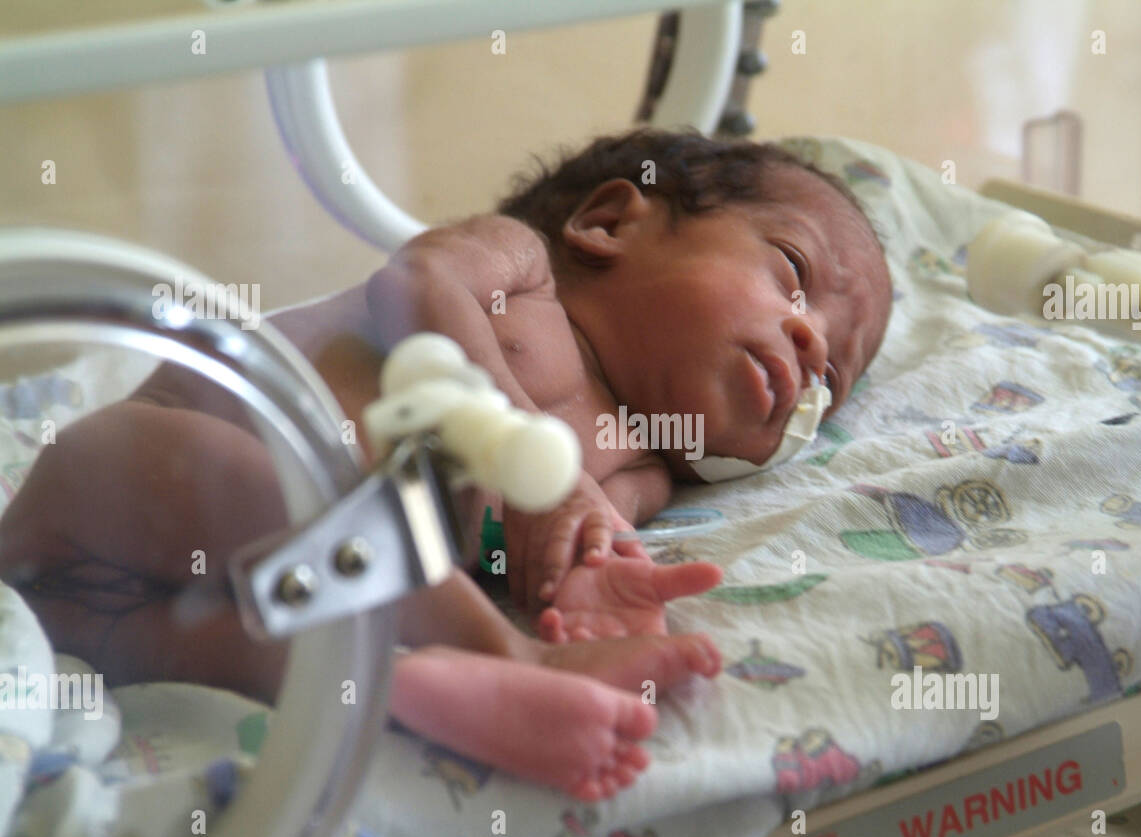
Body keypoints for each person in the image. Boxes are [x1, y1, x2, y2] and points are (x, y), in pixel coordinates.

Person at [0, 129, 892, 801]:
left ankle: (417, 688)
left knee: (325, 650)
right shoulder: (519, 267)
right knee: (332, 506)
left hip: (132, 621)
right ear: (611, 221)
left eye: (832, 379)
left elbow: (523, 542)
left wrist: (582, 578)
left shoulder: (646, 462)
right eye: (788, 272)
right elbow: (415, 283)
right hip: (126, 483)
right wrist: (526, 456)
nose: (810, 344)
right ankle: (501, 661)